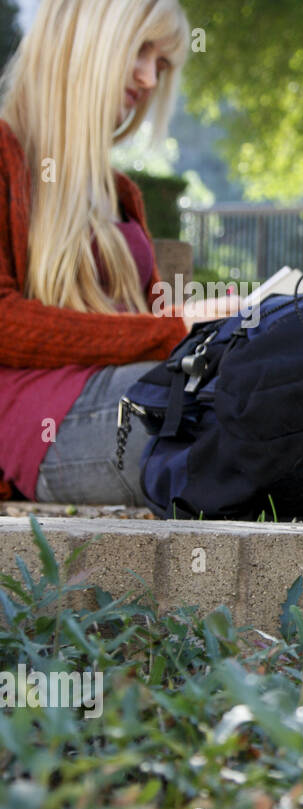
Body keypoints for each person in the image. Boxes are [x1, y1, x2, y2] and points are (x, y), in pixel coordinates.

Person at [0, 0, 239, 508]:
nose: (150, 79)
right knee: (254, 406)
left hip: (129, 392)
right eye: (141, 50)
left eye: (163, 64)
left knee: (270, 375)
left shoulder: (121, 192)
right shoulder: (5, 155)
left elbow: (147, 331)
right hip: (34, 425)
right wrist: (179, 329)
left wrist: (216, 324)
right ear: (83, 40)